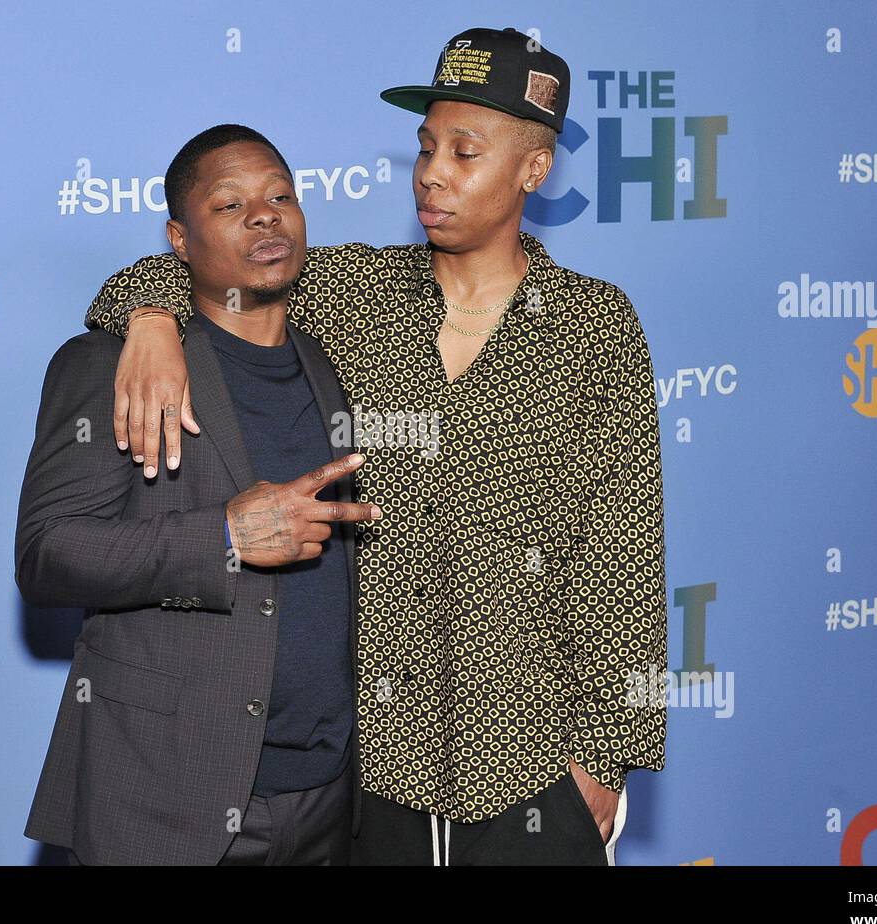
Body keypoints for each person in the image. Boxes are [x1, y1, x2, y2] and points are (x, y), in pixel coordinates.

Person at [83, 27, 667, 865]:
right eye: (427, 146)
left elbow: (625, 560)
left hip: (535, 776)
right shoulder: (353, 291)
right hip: (372, 775)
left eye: (465, 152)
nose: (432, 171)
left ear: (532, 172)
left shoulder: (596, 326)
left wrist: (602, 762)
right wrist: (146, 317)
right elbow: (206, 264)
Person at [16, 124, 378, 865]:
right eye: (230, 203)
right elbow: (47, 554)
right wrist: (222, 537)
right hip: (170, 799)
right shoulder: (112, 364)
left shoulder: (333, 354)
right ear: (178, 241)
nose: (265, 214)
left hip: (330, 795)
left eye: (281, 195)